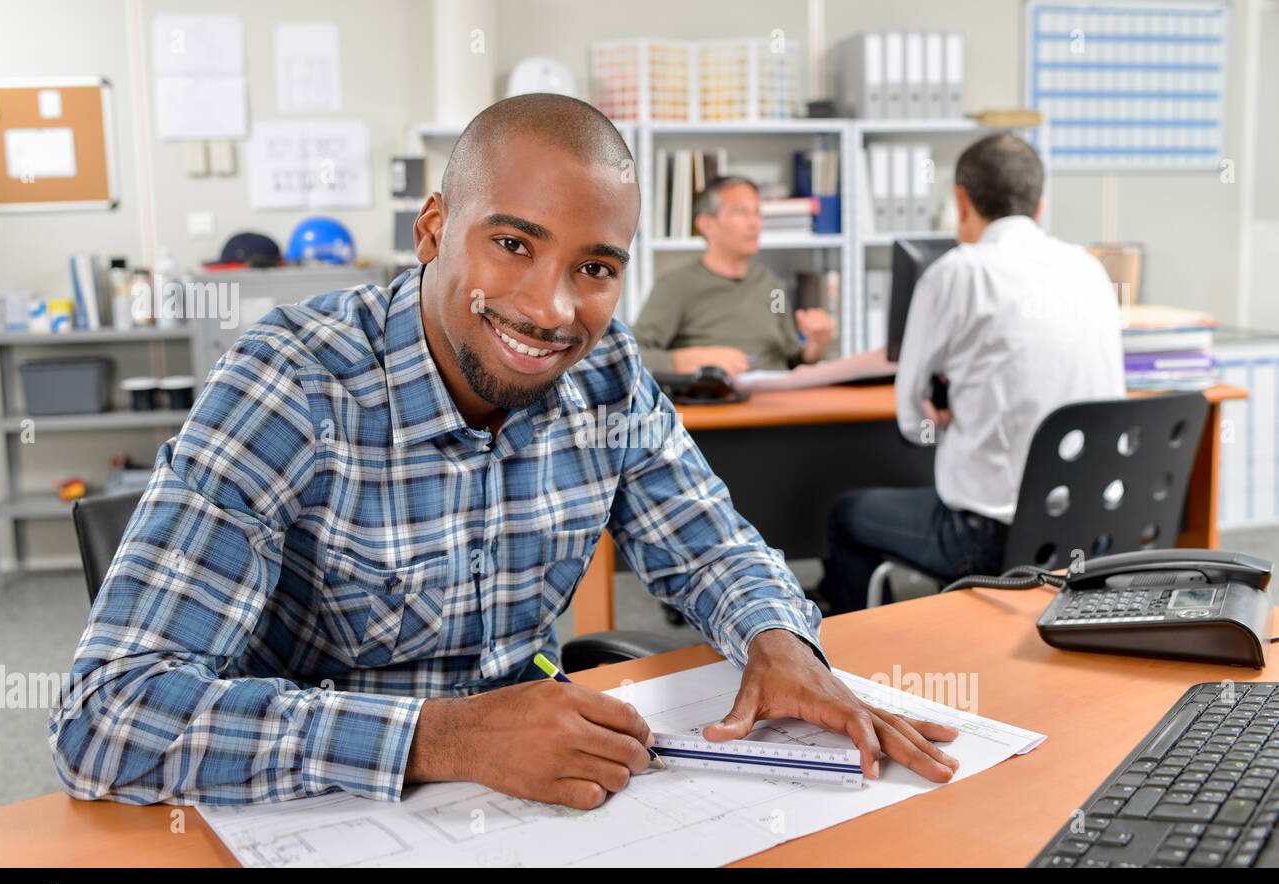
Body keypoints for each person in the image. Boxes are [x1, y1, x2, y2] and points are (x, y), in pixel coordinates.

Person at [50, 94, 958, 810]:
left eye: (594, 268)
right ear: (435, 229)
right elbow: (107, 715)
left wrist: (780, 642)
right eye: (514, 243)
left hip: (542, 812)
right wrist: (445, 738)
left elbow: (711, 544)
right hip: (322, 813)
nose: (551, 307)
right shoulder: (291, 385)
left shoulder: (606, 377)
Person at [819, 133, 1125, 614]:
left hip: (990, 539)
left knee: (845, 514)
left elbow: (909, 424)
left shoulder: (955, 272)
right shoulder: (1089, 268)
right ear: (1039, 205)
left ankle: (846, 667)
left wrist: (935, 417)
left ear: (961, 201)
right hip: (1098, 530)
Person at [631, 176, 836, 378]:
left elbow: (792, 358)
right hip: (721, 403)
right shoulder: (675, 285)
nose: (755, 223)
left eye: (757, 212)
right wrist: (687, 360)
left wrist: (816, 344)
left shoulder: (771, 284)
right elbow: (632, 356)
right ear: (706, 225)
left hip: (781, 400)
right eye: (740, 212)